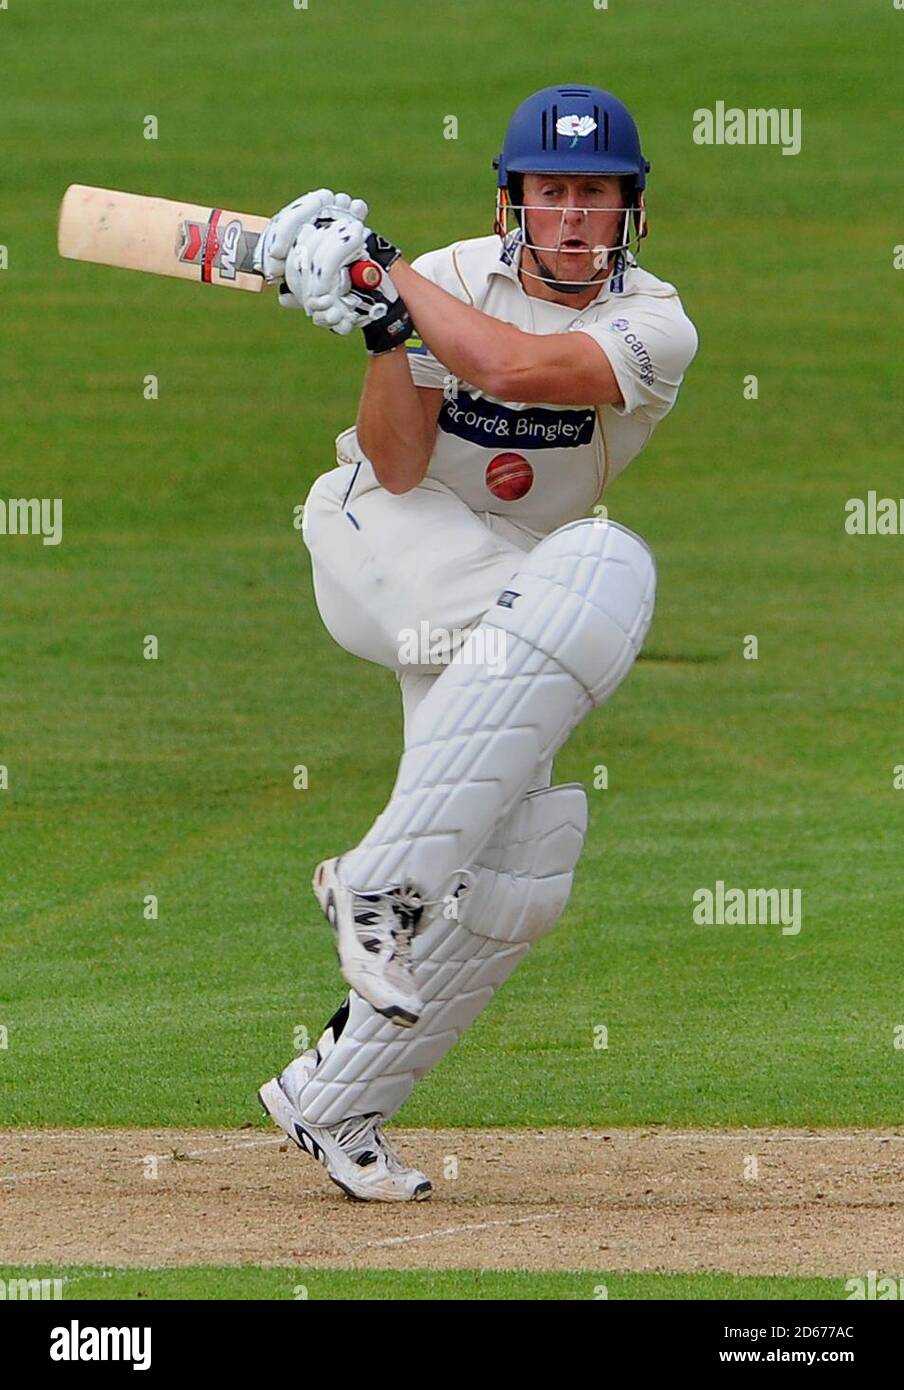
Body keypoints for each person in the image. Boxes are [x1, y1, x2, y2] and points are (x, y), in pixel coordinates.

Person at [256, 84, 698, 1201]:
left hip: (509, 593)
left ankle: (336, 1092)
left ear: (630, 210)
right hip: (381, 532)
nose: (572, 216)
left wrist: (379, 281)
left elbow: (513, 373)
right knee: (604, 567)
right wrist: (385, 326)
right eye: (550, 191)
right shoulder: (446, 278)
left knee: (521, 875)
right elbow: (397, 465)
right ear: (511, 201)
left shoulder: (656, 324)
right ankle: (374, 885)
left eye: (595, 195)